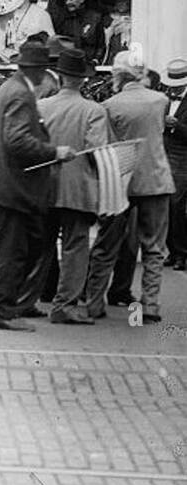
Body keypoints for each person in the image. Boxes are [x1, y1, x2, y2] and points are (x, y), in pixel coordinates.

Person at [0, 41, 75, 331]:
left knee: (11, 249)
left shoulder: (9, 89)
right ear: (38, 71)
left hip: (2, 183)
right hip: (15, 186)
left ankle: (1, 302)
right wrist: (54, 152)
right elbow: (17, 140)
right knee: (15, 251)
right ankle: (4, 313)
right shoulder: (21, 94)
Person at [84, 51, 173, 324]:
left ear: (118, 76)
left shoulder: (109, 105)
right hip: (156, 180)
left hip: (121, 180)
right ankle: (150, 305)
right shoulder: (160, 100)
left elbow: (106, 144)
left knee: (107, 244)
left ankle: (94, 302)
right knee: (154, 247)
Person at [33, 48, 109, 324]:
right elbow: (96, 150)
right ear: (83, 80)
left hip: (44, 186)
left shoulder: (41, 106)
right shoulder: (94, 110)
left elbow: (33, 146)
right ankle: (64, 304)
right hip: (78, 188)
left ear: (61, 77)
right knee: (75, 246)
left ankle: (31, 297)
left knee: (42, 245)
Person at [164, 58, 187, 272]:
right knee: (167, 205)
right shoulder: (164, 96)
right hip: (166, 152)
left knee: (175, 204)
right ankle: (172, 250)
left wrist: (177, 126)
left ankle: (181, 252)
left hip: (183, 155)